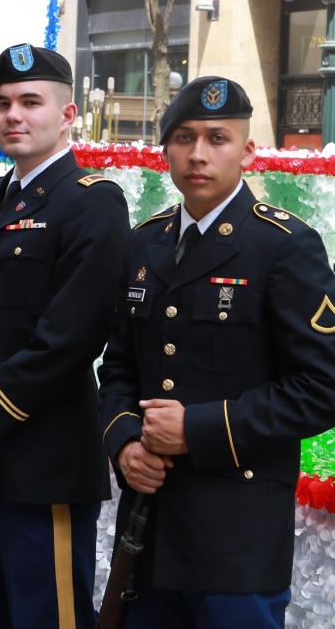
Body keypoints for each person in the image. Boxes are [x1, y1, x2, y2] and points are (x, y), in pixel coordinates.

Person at [98, 77, 335, 629]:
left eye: (217, 138)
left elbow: (323, 387)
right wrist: (123, 439)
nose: (198, 154)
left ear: (247, 150)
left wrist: (198, 430)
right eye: (183, 138)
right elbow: (118, 367)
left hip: (236, 541)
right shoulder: (144, 242)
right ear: (166, 151)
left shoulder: (283, 246)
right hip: (149, 529)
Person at [0, 43, 129, 628]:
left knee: (48, 619)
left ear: (67, 115)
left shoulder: (93, 203)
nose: (13, 116)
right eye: (1, 104)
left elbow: (70, 338)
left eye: (29, 102)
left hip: (46, 463)